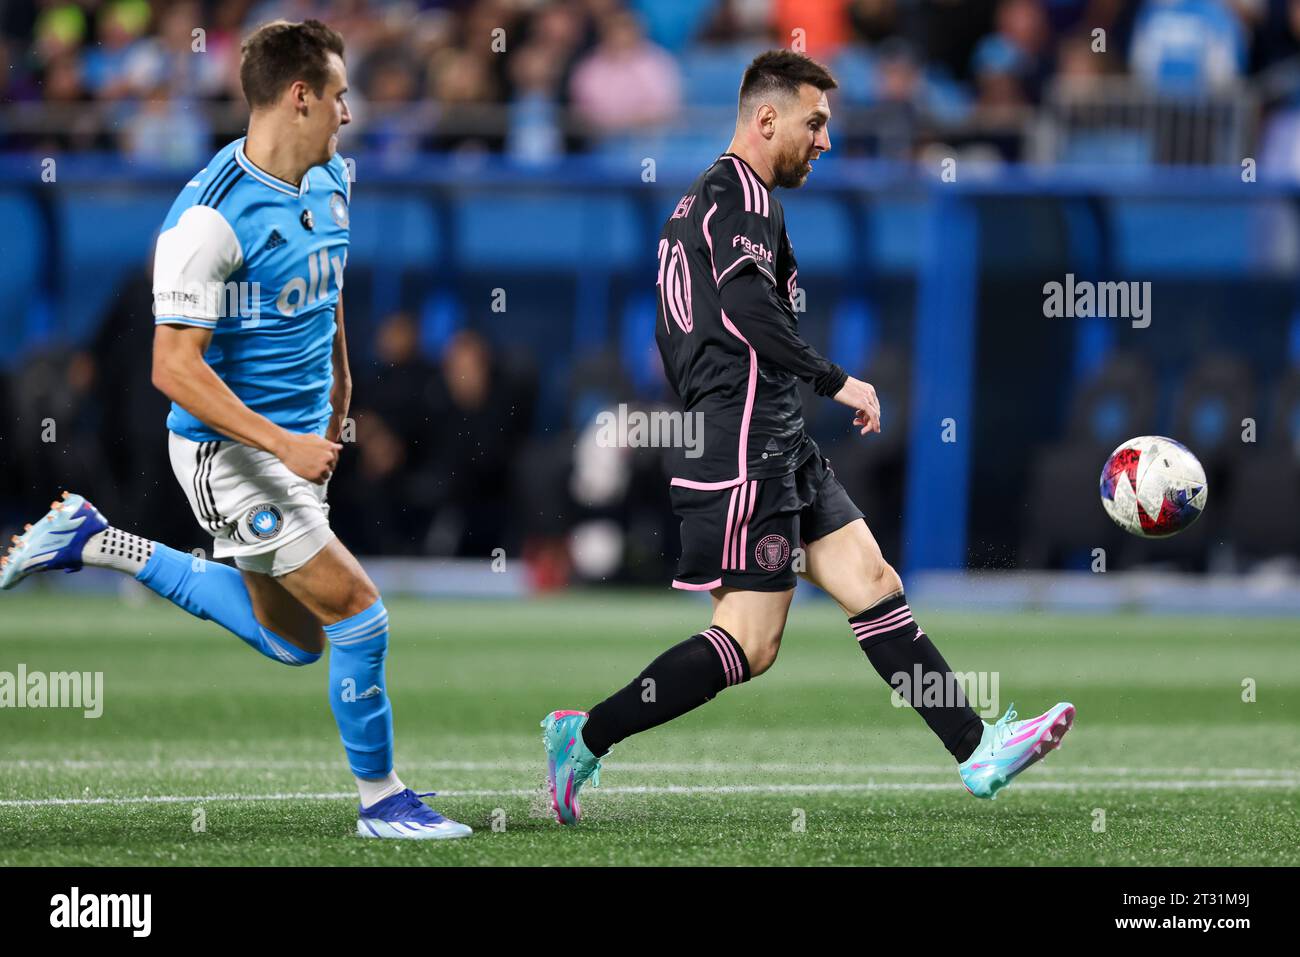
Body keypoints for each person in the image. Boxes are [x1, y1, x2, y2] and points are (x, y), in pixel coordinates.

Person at [540, 49, 1074, 824]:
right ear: (766, 118)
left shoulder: (707, 202)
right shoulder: (740, 194)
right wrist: (834, 378)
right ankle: (583, 735)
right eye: (815, 122)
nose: (825, 141)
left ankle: (977, 747)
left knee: (872, 580)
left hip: (769, 433)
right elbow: (746, 309)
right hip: (742, 439)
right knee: (749, 644)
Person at [2, 19, 470, 841]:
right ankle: (384, 801)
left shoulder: (335, 180)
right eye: (338, 95)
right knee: (360, 614)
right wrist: (282, 444)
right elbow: (173, 370)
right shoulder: (206, 220)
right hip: (226, 455)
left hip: (293, 446)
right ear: (299, 97)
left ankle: (94, 539)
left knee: (294, 643)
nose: (347, 113)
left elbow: (325, 292)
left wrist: (343, 380)